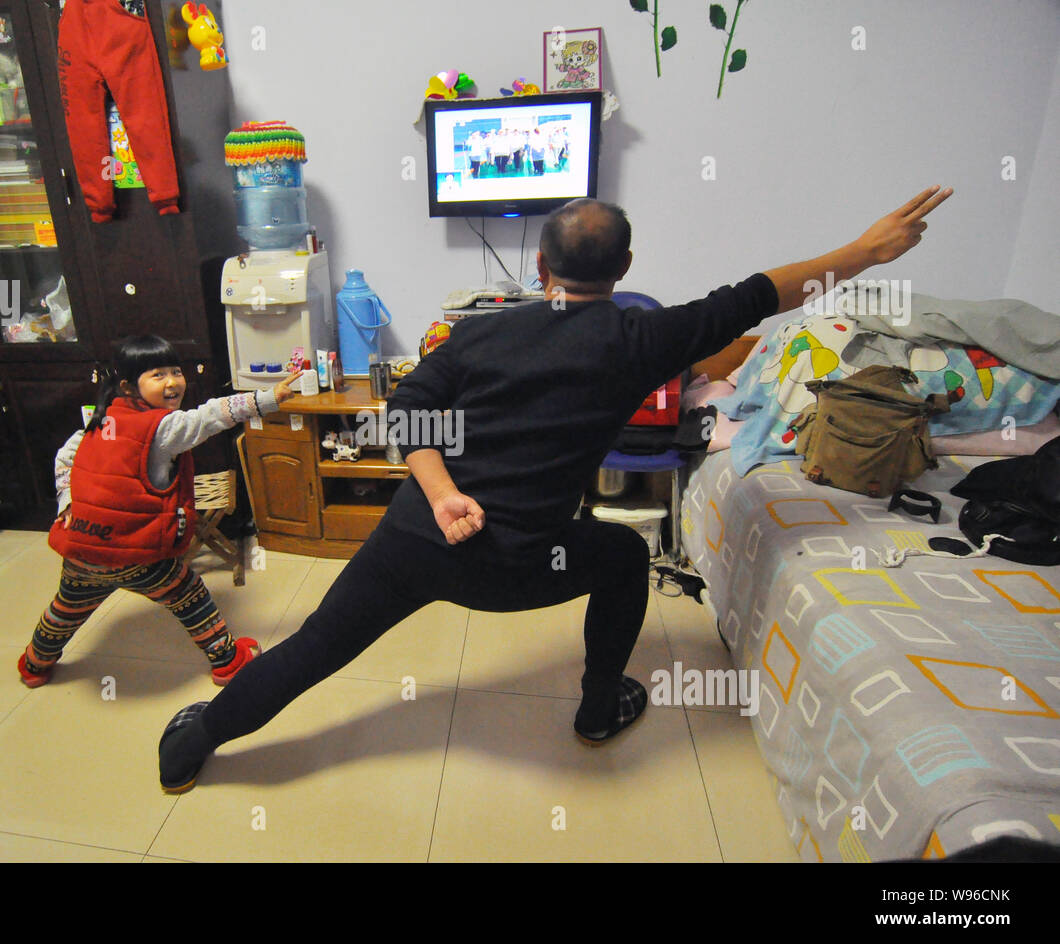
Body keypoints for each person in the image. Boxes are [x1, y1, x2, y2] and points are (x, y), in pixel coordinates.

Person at [157, 187, 954, 794]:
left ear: (539, 269)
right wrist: (865, 250)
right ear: (626, 271)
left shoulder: (477, 333)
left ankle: (201, 737)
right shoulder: (640, 338)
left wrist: (438, 494)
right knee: (618, 553)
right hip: (513, 563)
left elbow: (404, 409)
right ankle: (598, 707)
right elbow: (758, 294)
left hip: (411, 540)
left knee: (316, 647)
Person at [18, 334, 300, 688]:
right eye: (158, 375)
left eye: (176, 371)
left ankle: (34, 664)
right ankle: (227, 661)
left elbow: (64, 457)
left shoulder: (102, 419)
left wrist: (67, 503)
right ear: (128, 385)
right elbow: (209, 417)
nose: (172, 382)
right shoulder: (162, 428)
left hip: (83, 548)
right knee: (189, 594)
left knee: (66, 608)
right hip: (137, 555)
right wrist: (268, 399)